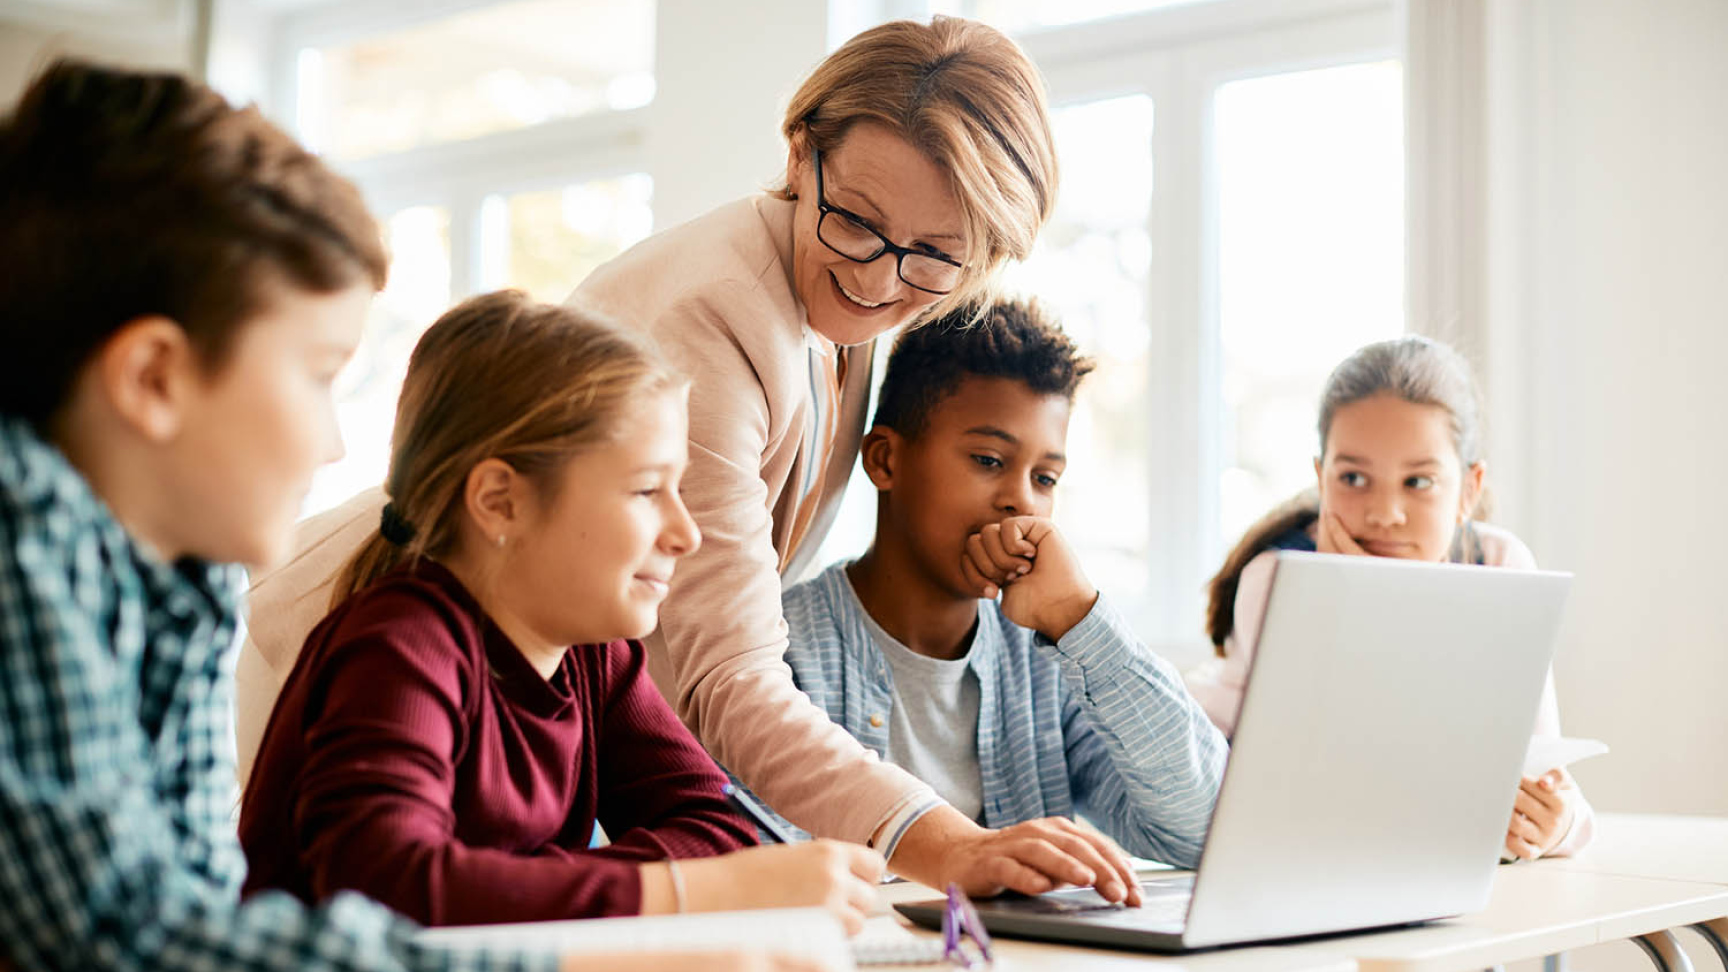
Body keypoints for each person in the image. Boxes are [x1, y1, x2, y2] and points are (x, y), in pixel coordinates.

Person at [241, 17, 1139, 900]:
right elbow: (729, 680)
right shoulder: (711, 318)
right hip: (397, 666)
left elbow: (706, 815)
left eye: (932, 255)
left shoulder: (606, 653)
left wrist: (657, 885)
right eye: (855, 222)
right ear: (800, 156)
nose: (874, 279)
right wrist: (938, 844)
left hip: (532, 666)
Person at [0, 59, 824, 972]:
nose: (333, 448)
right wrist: (635, 928)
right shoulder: (28, 558)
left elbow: (191, 918)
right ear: (154, 379)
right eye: (317, 375)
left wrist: (546, 898)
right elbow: (135, 948)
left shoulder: (184, 579)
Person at [240, 292, 883, 931]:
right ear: (500, 502)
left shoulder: (593, 653)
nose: (685, 533)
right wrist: (688, 889)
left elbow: (720, 828)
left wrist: (514, 885)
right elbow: (388, 890)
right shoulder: (399, 647)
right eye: (645, 490)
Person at [764, 298, 1226, 881]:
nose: (1022, 501)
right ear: (885, 460)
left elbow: (1205, 831)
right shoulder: (778, 656)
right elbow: (758, 872)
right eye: (988, 459)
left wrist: (1080, 618)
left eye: (1045, 478)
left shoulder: (1052, 662)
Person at [1186, 335, 1595, 860]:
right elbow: (1293, 786)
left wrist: (1559, 826)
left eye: (1418, 482)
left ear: (1469, 488)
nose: (1385, 514)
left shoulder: (1501, 568)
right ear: (1320, 478)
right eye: (1354, 478)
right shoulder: (1275, 580)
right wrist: (1351, 605)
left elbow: (1544, 769)